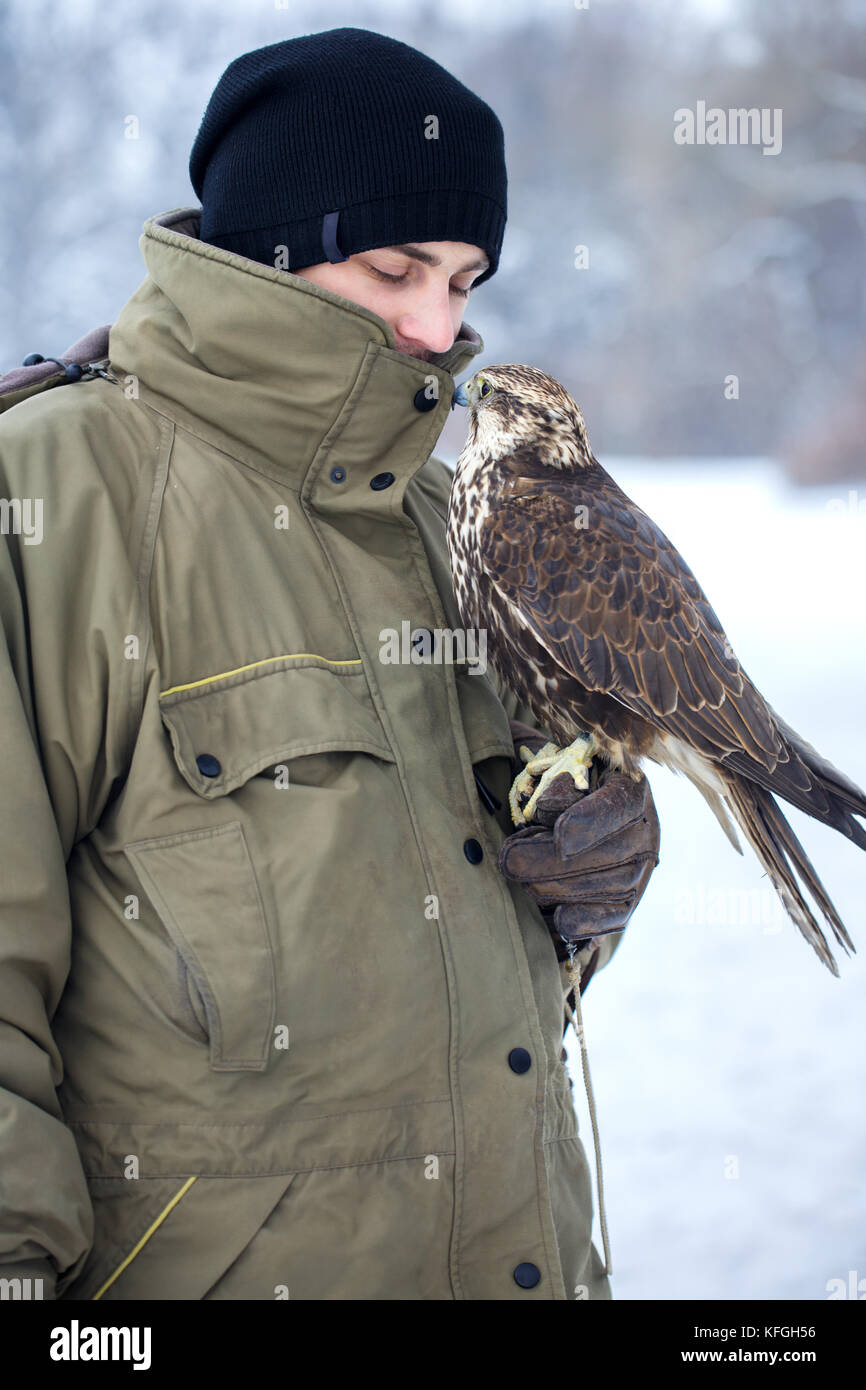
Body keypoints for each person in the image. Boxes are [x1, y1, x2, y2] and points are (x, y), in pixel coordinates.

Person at [0, 27, 659, 1302]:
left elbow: (445, 945)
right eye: (394, 267)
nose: (436, 327)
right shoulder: (54, 494)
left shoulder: (447, 518)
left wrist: (585, 885)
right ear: (266, 253)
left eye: (464, 281)